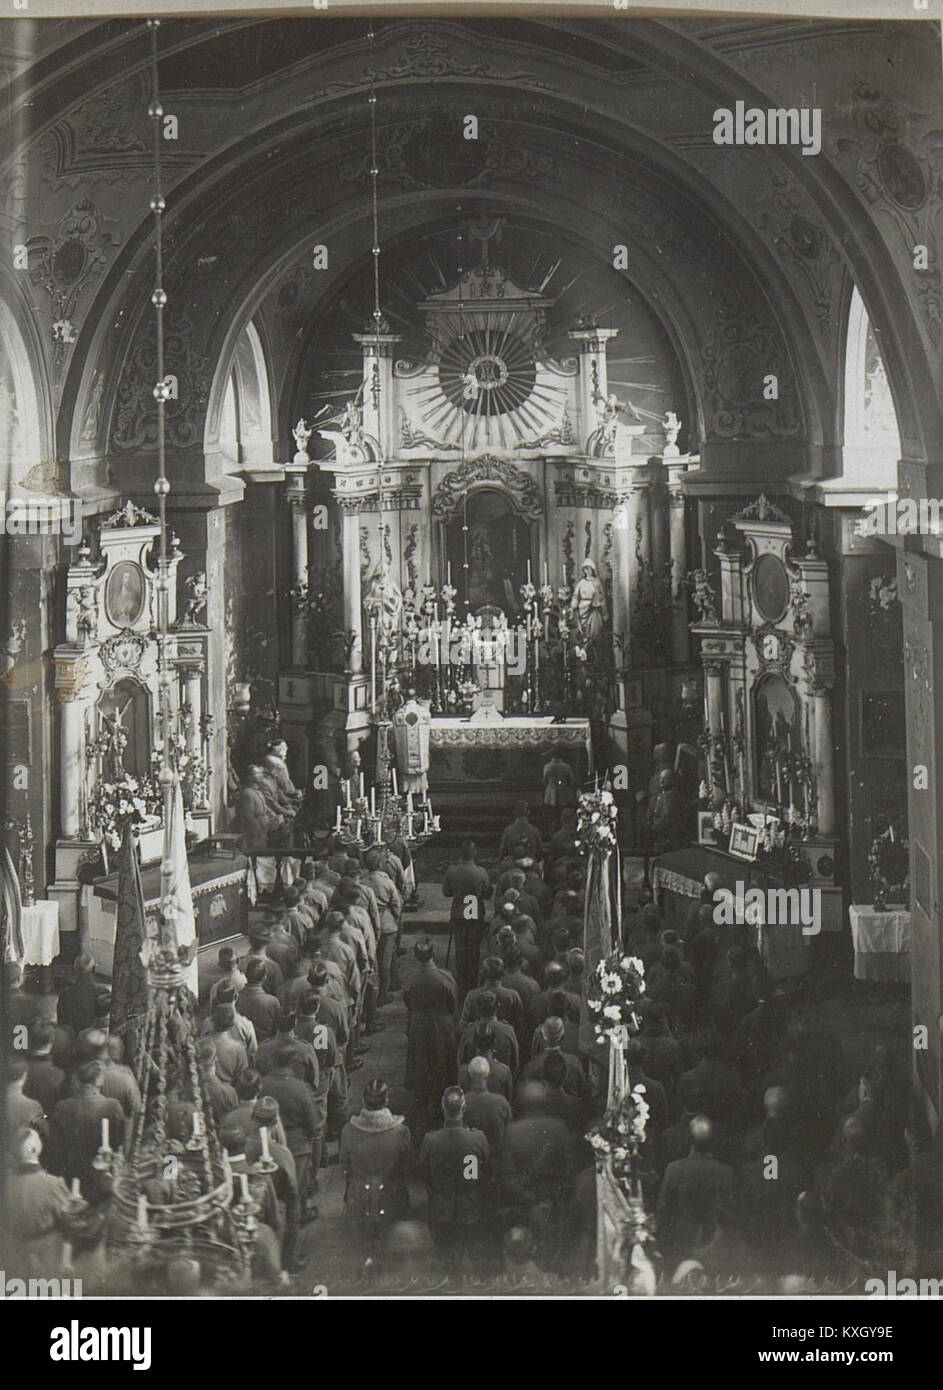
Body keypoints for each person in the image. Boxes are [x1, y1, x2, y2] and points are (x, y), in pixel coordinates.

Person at [420, 1087, 490, 1268]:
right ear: (464, 1108)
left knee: (445, 1256)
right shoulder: (478, 1139)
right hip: (470, 1208)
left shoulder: (431, 1140)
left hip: (441, 1208)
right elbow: (484, 1171)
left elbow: (425, 1173)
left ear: (443, 1108)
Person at [339, 1079, 411, 1246]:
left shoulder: (348, 1131)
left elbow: (344, 1167)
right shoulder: (401, 1132)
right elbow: (406, 1167)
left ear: (363, 1101)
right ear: (386, 1101)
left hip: (359, 1199)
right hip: (392, 1197)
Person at [656, 1115, 737, 1264]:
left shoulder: (673, 1169)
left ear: (688, 1140)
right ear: (713, 1141)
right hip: (713, 1244)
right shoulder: (726, 1173)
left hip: (680, 1242)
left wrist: (661, 1245)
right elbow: (730, 1214)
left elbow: (663, 1210)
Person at [403, 938, 459, 1133]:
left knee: (421, 1065)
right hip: (441, 1026)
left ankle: (422, 1106)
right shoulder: (445, 978)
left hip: (418, 1026)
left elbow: (407, 1002)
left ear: (416, 956)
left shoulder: (410, 979)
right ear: (433, 954)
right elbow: (453, 1004)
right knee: (442, 1064)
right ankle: (441, 1104)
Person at [46, 1060, 125, 1184]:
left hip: (70, 1176)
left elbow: (54, 1150)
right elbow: (119, 1142)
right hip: (101, 1175)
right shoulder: (113, 1107)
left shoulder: (62, 1107)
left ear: (77, 1080)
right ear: (99, 1081)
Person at [441, 840, 493, 998]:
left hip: (458, 913)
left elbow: (446, 892)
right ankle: (472, 980)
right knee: (474, 948)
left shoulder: (452, 871)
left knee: (460, 948)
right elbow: (488, 894)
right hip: (475, 913)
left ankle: (461, 982)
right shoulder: (481, 872)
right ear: (475, 852)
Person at [463, 1056, 512, 1156]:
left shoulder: (462, 1103)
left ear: (469, 1076)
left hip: (470, 1161)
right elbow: (509, 1134)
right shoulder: (501, 1103)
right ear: (488, 1075)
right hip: (496, 1160)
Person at [57, 953, 99, 1037]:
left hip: (69, 1037)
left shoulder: (64, 994)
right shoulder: (98, 991)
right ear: (94, 970)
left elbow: (61, 1022)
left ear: (74, 971)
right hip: (90, 1037)